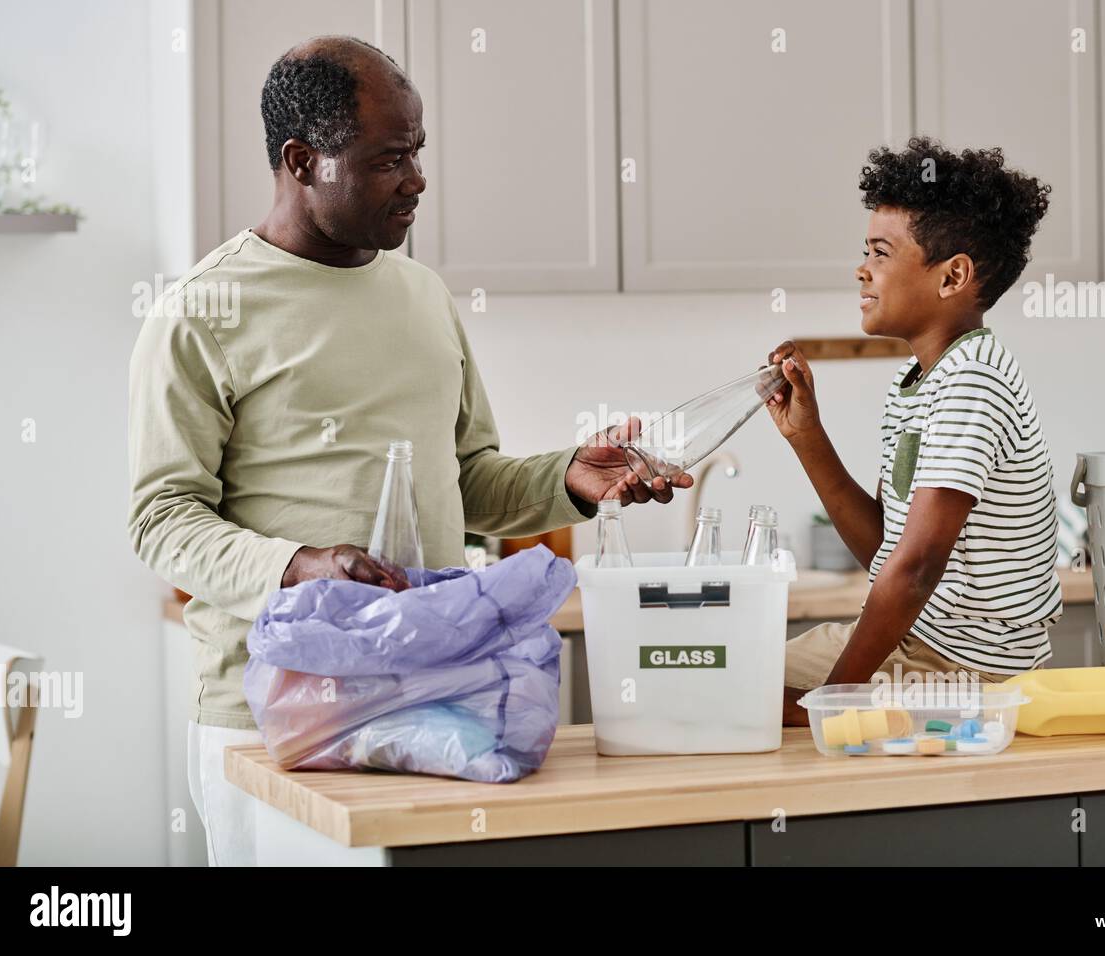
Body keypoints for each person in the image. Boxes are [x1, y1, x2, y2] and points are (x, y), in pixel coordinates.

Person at [127, 36, 687, 864]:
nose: (418, 178)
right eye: (391, 157)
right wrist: (301, 565)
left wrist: (565, 478)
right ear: (302, 159)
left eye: (419, 150)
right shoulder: (201, 311)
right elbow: (161, 520)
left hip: (442, 695)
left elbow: (465, 478)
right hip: (278, 717)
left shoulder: (422, 294)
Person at [768, 137, 1063, 725]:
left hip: (963, 670)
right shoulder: (922, 380)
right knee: (727, 681)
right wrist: (808, 436)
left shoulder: (972, 383)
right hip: (920, 646)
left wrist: (835, 702)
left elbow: (919, 565)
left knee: (745, 703)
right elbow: (887, 550)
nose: (861, 268)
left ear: (952, 276)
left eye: (881, 252)